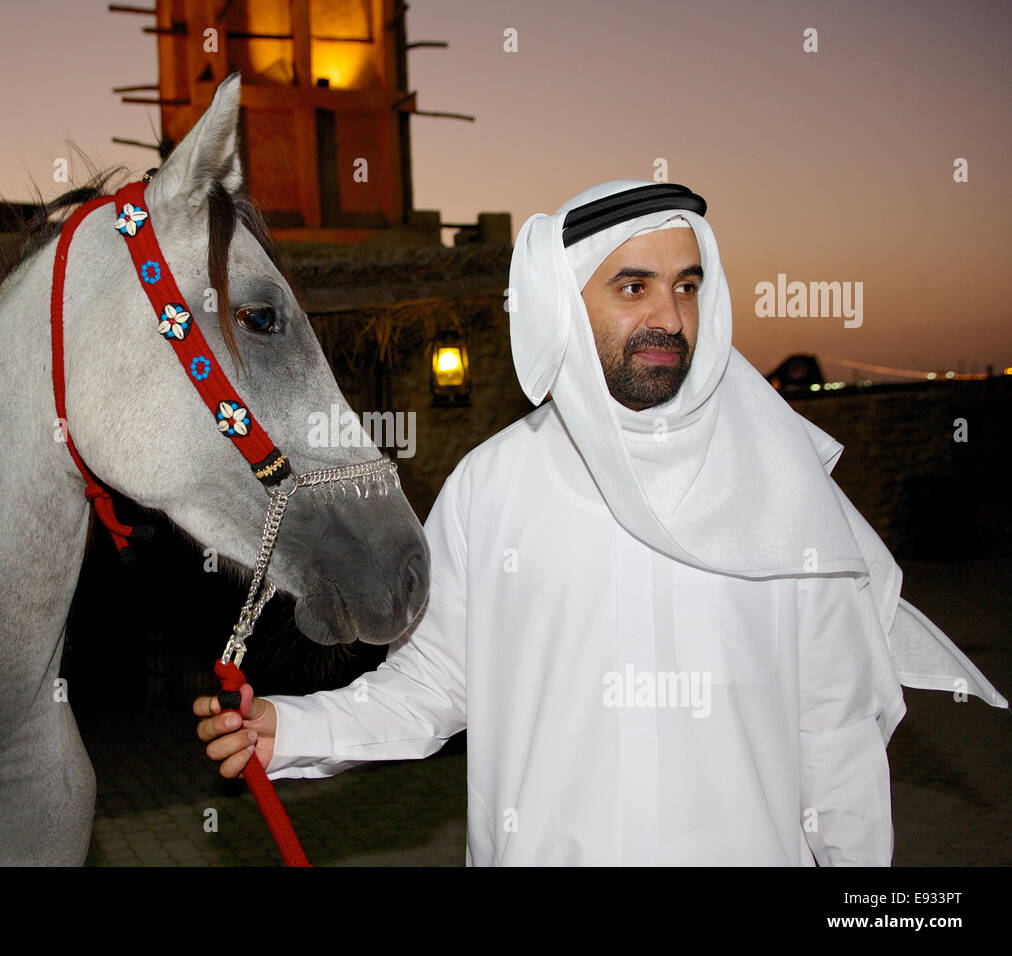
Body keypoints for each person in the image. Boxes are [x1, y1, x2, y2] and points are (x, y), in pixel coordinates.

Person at [194, 180, 1006, 865]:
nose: (670, 317)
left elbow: (834, 733)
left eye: (687, 285)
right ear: (562, 305)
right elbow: (436, 686)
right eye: (633, 287)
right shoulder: (493, 486)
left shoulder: (786, 487)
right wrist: (290, 728)